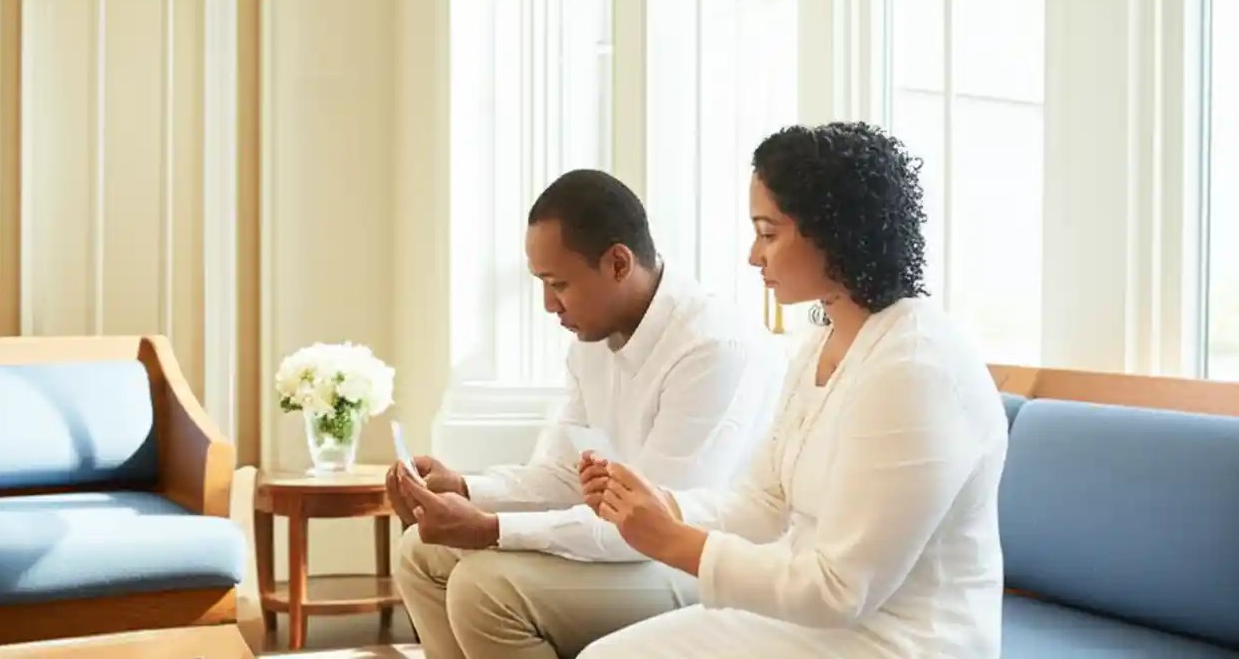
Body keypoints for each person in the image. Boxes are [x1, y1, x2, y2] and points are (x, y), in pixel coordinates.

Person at [578, 123, 1009, 658]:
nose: (753, 256)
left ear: (835, 232)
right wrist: (658, 504)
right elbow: (764, 502)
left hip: (903, 641)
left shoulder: (916, 370)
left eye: (768, 232)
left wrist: (671, 540)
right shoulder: (821, 343)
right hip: (813, 623)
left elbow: (837, 588)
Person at [387, 169, 783, 659]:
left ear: (618, 263)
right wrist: (465, 490)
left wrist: (490, 528)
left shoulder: (712, 349)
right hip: (630, 548)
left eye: (559, 284)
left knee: (483, 587)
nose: (549, 304)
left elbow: (649, 527)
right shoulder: (589, 342)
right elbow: (561, 475)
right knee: (419, 554)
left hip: (698, 563)